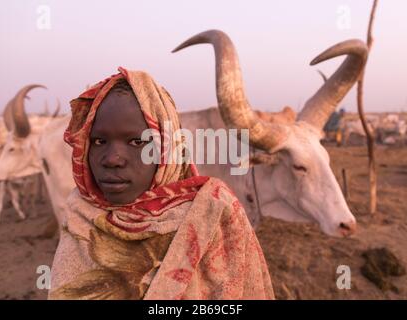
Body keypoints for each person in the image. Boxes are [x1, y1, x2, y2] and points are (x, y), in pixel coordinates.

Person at [48, 67, 274, 300]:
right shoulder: (79, 213)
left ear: (167, 148)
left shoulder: (214, 211)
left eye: (137, 141)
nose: (112, 159)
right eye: (98, 141)